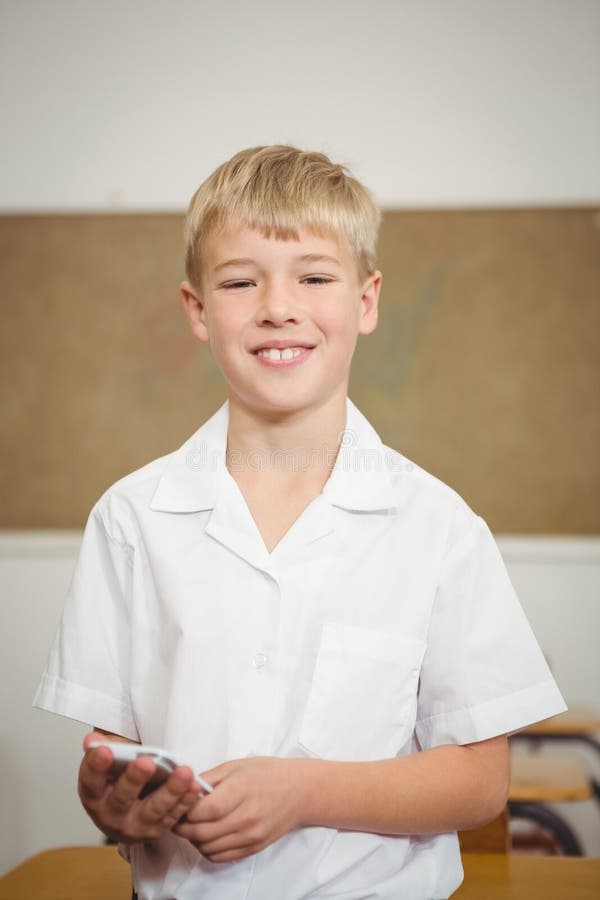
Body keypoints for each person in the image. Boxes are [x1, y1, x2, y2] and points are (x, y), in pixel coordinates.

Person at [34, 145, 566, 900]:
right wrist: (120, 809)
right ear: (196, 309)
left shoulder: (438, 526)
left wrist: (303, 793)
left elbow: (479, 784)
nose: (277, 306)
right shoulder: (131, 520)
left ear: (367, 300)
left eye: (314, 276)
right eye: (240, 281)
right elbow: (114, 761)